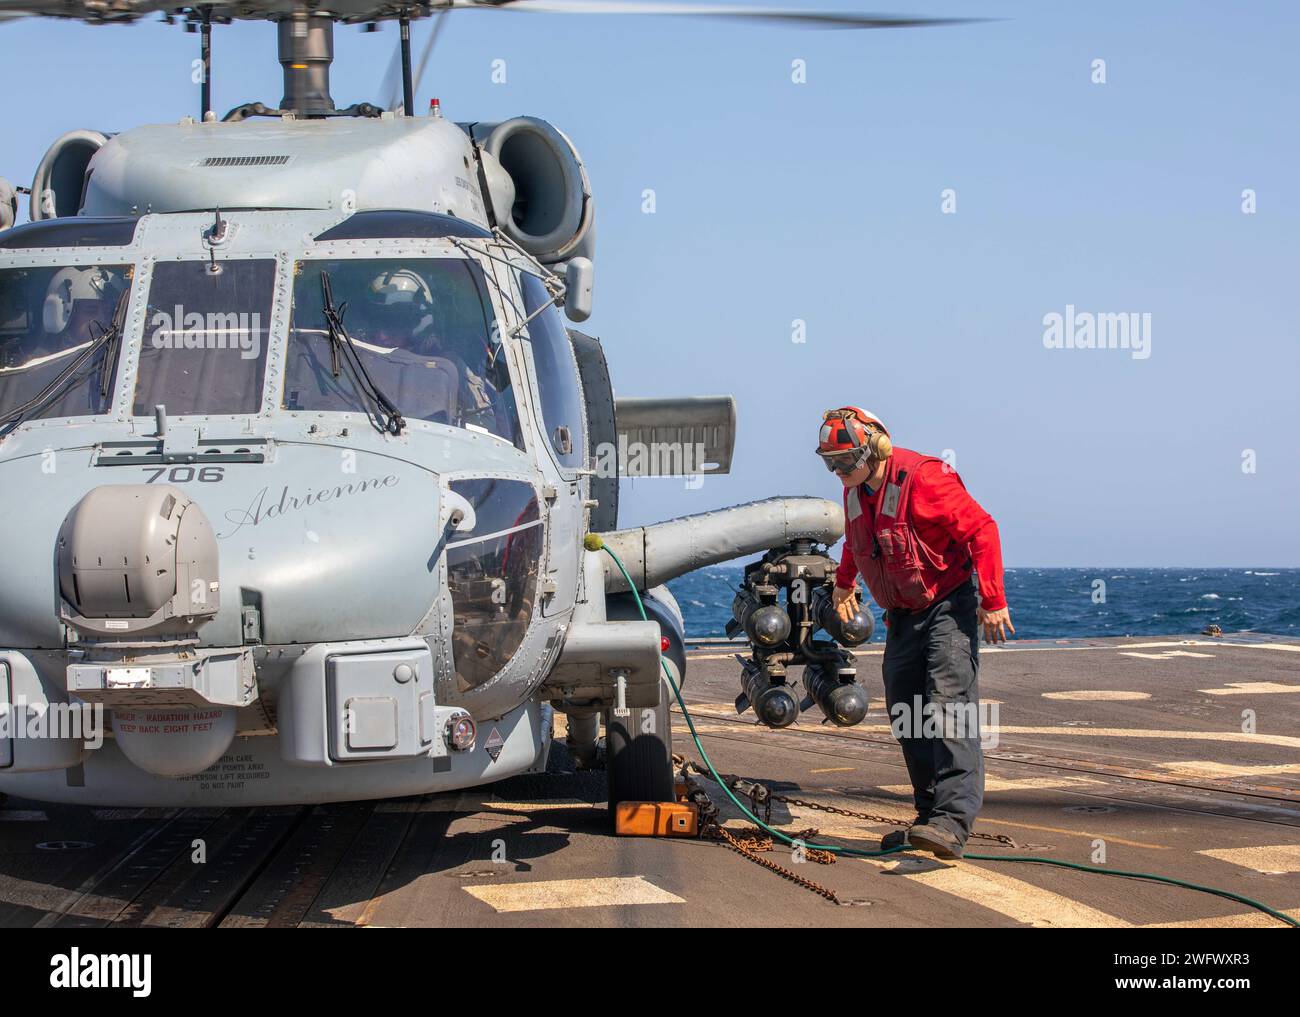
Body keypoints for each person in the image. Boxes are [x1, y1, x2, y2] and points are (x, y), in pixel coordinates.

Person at [817, 407, 1013, 858]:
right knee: (906, 712)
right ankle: (928, 816)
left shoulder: (925, 478)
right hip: (903, 617)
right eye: (832, 463)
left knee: (948, 708)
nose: (839, 471)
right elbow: (856, 540)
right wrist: (845, 582)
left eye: (846, 461)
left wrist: (993, 599)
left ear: (876, 449)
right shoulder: (855, 492)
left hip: (947, 607)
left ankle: (952, 821)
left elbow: (983, 529)